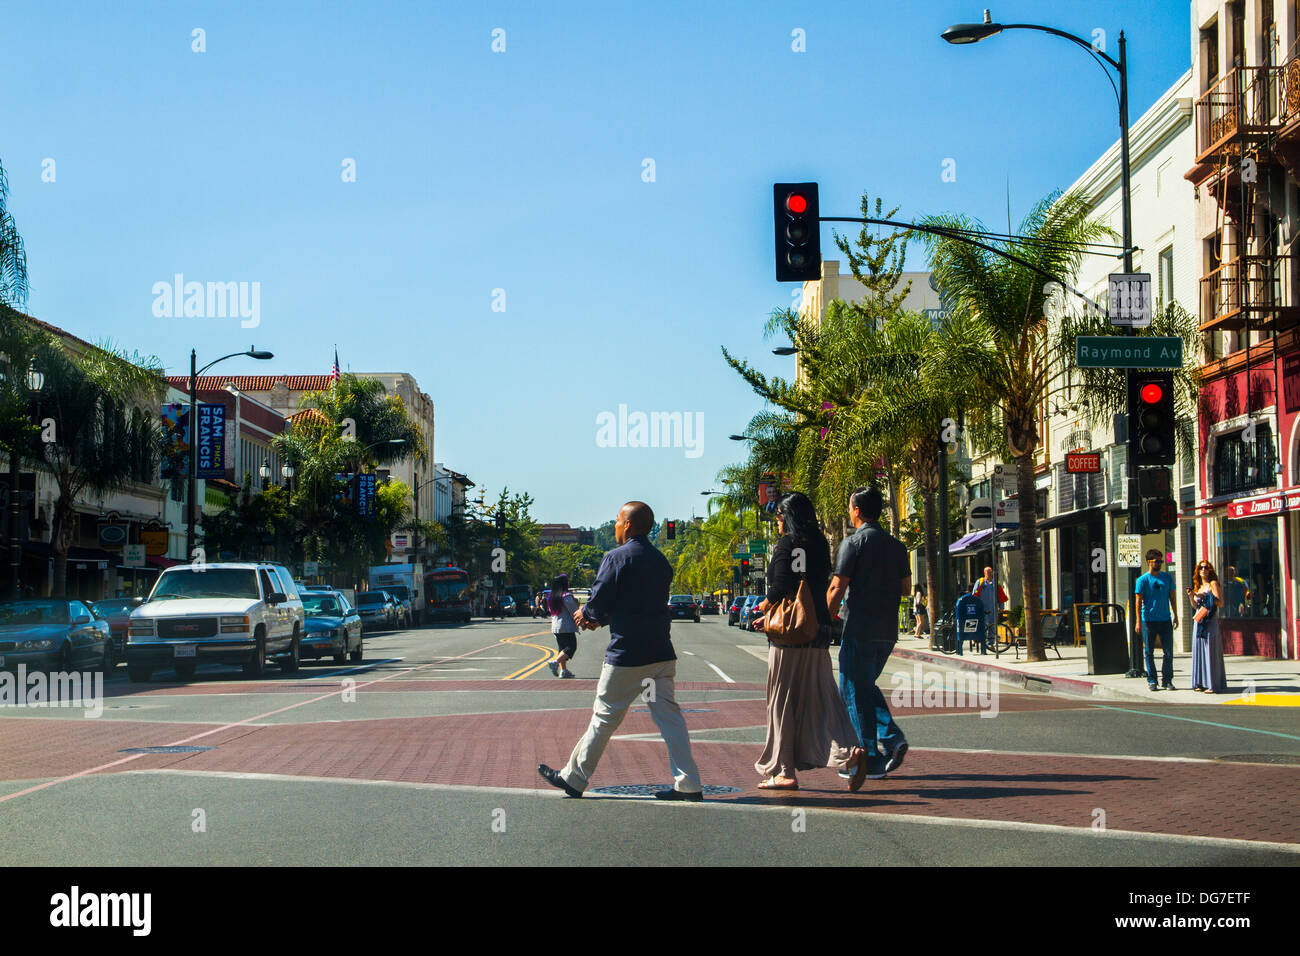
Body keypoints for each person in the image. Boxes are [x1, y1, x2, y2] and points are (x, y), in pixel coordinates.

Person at [537, 501, 703, 801]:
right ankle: (689, 783)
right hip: (661, 653)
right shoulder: (660, 561)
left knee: (604, 717)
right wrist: (601, 616)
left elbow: (600, 601)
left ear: (627, 525)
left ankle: (574, 778)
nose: (614, 526)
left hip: (627, 655)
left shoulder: (615, 558)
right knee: (670, 718)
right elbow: (636, 603)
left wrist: (587, 615)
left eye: (616, 520)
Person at [749, 492, 869, 791]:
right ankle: (850, 751)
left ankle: (784, 770)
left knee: (781, 702)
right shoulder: (818, 544)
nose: (777, 521)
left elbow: (780, 588)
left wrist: (764, 609)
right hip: (817, 630)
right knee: (824, 698)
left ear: (787, 517)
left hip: (790, 634)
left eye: (779, 515)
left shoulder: (787, 545)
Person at [826, 486, 910, 777]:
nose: (849, 512)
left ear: (857, 511)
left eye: (850, 507)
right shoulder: (897, 547)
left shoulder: (853, 543)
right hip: (887, 631)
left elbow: (837, 586)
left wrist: (823, 619)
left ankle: (869, 759)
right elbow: (906, 588)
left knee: (851, 690)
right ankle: (891, 737)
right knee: (863, 686)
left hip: (859, 627)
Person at [1135, 548, 1178, 691]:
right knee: (1149, 652)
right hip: (1148, 620)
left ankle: (1167, 680)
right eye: (1156, 561)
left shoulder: (1167, 578)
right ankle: (1152, 680)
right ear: (1148, 562)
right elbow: (1138, 602)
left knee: (1168, 652)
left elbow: (1172, 597)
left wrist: (1176, 615)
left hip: (1165, 619)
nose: (1159, 563)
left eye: (1161, 561)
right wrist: (1138, 622)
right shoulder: (1142, 580)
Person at [1189, 560, 1227, 694]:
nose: (1203, 570)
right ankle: (1200, 682)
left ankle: (1212, 684)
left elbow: (1220, 603)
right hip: (1199, 621)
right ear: (1198, 571)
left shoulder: (1213, 584)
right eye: (1201, 568)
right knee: (1199, 650)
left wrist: (1206, 596)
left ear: (1210, 570)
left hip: (1210, 621)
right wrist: (1191, 597)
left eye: (1206, 567)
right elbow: (1195, 607)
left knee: (1210, 651)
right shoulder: (1198, 586)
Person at [546, 574, 580, 679]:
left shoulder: (551, 597)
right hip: (566, 626)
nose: (568, 583)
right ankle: (555, 662)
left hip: (556, 626)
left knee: (562, 649)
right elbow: (574, 611)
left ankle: (563, 671)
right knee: (571, 647)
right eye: (567, 581)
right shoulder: (567, 596)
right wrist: (576, 603)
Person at [972, 566, 1008, 645]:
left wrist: (1001, 607)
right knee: (982, 625)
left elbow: (1000, 595)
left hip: (993, 608)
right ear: (984, 573)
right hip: (982, 608)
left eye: (990, 572)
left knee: (992, 626)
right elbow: (974, 595)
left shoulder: (995, 583)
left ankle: (990, 643)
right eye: (988, 572)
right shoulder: (980, 582)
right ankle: (981, 642)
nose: (989, 574)